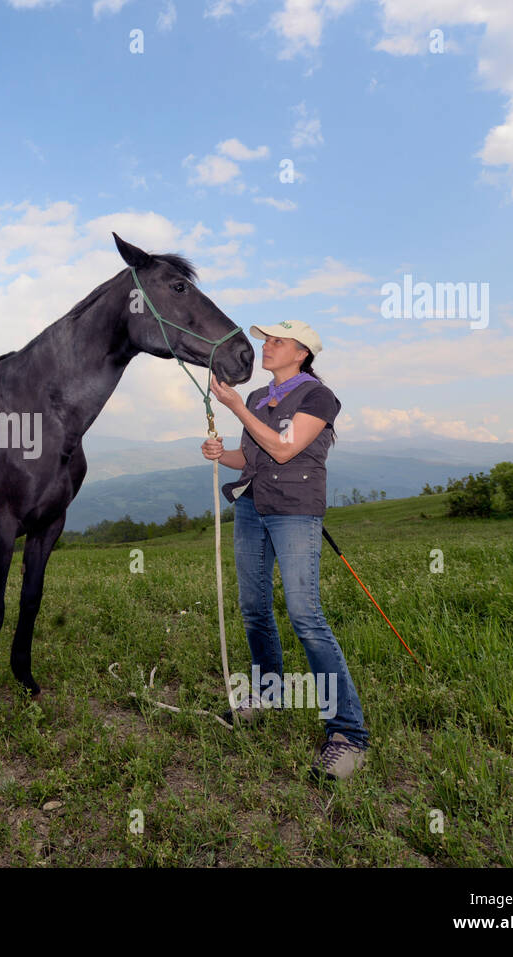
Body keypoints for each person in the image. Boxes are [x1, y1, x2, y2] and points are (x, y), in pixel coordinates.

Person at [200, 320, 368, 782]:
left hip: (295, 511)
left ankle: (348, 734)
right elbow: (252, 456)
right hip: (252, 506)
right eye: (266, 339)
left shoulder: (319, 397)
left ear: (301, 353)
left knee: (305, 616)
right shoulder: (256, 398)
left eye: (276, 341)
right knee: (254, 608)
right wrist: (220, 453)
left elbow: (284, 449)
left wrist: (234, 407)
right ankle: (268, 694)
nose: (266, 346)